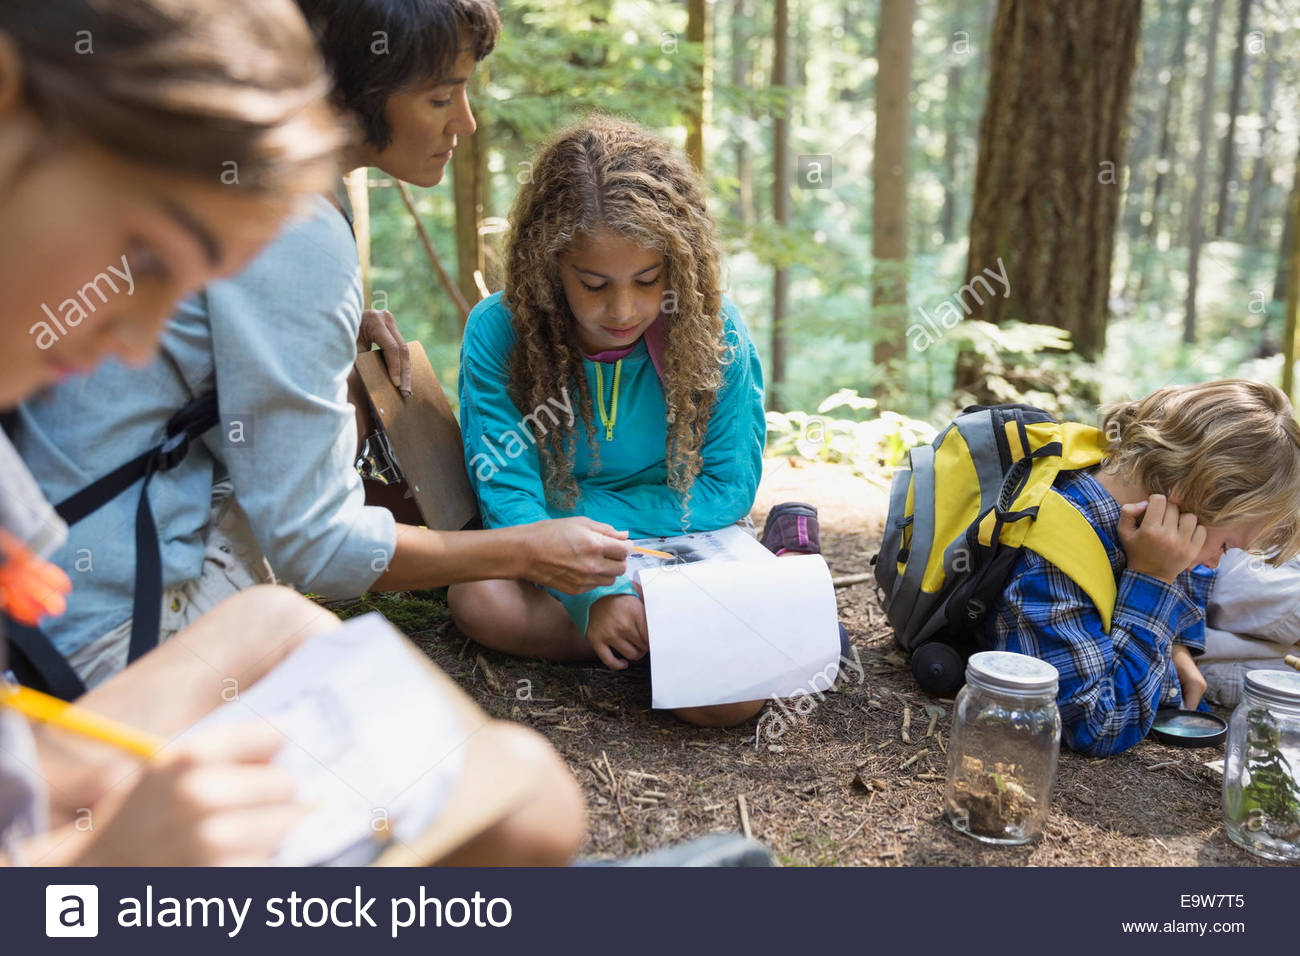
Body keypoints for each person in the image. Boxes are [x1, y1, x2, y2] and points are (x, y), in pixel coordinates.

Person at [0, 0, 584, 867]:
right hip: (91, 639)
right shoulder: (296, 232)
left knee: (514, 782)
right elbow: (313, 541)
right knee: (524, 796)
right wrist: (98, 867)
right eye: (146, 257)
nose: (127, 339)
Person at [448, 118, 769, 728]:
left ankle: (634, 639)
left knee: (730, 705)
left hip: (682, 550)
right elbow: (509, 492)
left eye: (648, 281)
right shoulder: (499, 332)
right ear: (550, 267)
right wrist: (592, 593)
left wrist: (585, 523)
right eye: (593, 285)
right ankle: (644, 642)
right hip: (552, 553)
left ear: (680, 264)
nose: (623, 311)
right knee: (478, 598)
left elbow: (727, 490)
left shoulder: (715, 330)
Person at [986, 380, 1300, 756]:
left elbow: (1197, 569)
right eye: (1227, 546)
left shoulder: (1136, 487)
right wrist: (1154, 580)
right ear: (1209, 491)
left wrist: (1178, 647)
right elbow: (1096, 723)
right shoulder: (1055, 556)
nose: (1217, 562)